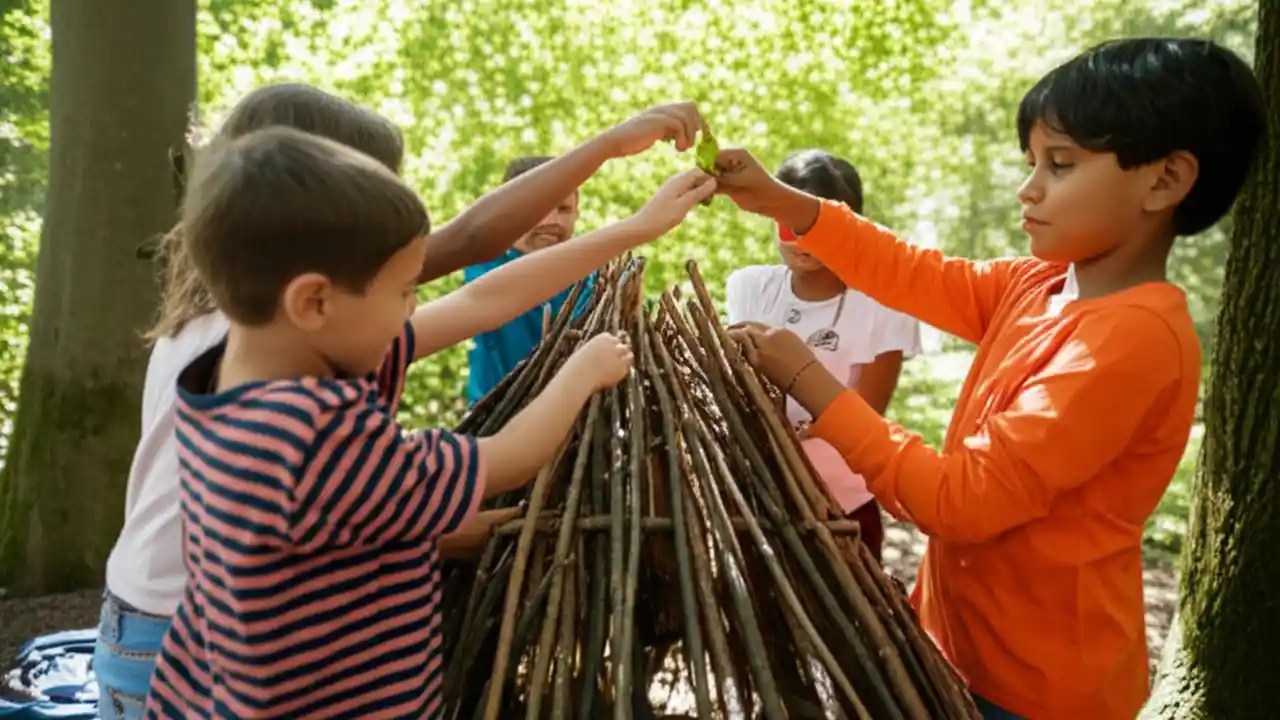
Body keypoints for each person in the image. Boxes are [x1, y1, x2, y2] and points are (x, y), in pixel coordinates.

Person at [97, 82, 709, 719]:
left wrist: (629, 213)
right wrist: (582, 372)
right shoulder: (300, 408)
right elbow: (499, 454)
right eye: (401, 287)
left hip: (204, 650)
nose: (413, 301)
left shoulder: (268, 345)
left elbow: (478, 297)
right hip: (187, 640)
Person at [719, 38, 1264, 720]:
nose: (1028, 188)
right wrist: (784, 202)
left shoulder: (1134, 341)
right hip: (956, 651)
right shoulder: (1036, 286)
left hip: (1040, 692)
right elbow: (910, 271)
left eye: (1059, 166)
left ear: (1164, 180)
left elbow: (962, 501)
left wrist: (806, 377)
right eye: (1031, 162)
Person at [725, 150, 920, 562]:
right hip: (758, 497)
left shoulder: (883, 304)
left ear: (852, 226)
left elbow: (865, 413)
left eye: (816, 222)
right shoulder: (751, 287)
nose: (801, 236)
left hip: (844, 502)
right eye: (788, 219)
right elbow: (734, 389)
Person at [465, 156, 591, 405]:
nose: (551, 221)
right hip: (495, 419)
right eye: (537, 209)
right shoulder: (485, 263)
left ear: (577, 212)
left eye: (563, 209)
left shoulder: (594, 276)